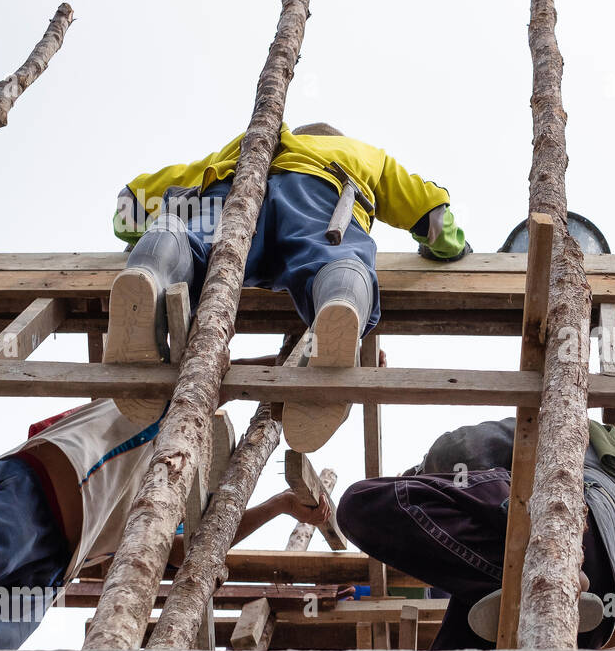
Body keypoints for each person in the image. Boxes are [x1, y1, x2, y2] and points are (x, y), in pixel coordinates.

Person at [108, 122, 471, 451]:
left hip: (235, 189)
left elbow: (129, 207)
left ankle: (151, 275)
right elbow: (432, 215)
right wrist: (451, 248)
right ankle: (337, 307)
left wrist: (140, 228)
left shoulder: (245, 143)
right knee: (333, 259)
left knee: (186, 239)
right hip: (318, 196)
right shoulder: (362, 154)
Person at [0, 399, 331, 649]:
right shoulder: (163, 399)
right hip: (27, 494)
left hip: (55, 565)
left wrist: (277, 505)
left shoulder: (166, 494)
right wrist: (319, 371)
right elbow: (224, 369)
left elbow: (185, 548)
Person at [337, 417, 615, 650]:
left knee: (360, 502)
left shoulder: (565, 426)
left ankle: (552, 581)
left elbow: (458, 449)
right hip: (594, 613)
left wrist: (421, 473)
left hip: (569, 528)